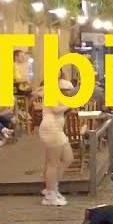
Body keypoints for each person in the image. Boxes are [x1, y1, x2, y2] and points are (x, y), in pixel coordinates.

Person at [37, 70, 75, 207]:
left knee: (68, 158)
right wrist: (70, 104)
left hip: (57, 128)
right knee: (52, 163)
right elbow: (55, 109)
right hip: (51, 128)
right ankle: (50, 195)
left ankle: (53, 187)